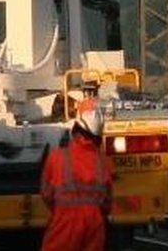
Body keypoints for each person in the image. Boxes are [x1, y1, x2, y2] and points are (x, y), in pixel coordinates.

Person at [40, 106, 112, 251]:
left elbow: (47, 194)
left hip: (65, 221)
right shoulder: (104, 161)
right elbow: (107, 201)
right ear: (98, 137)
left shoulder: (56, 157)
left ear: (75, 129)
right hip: (94, 224)